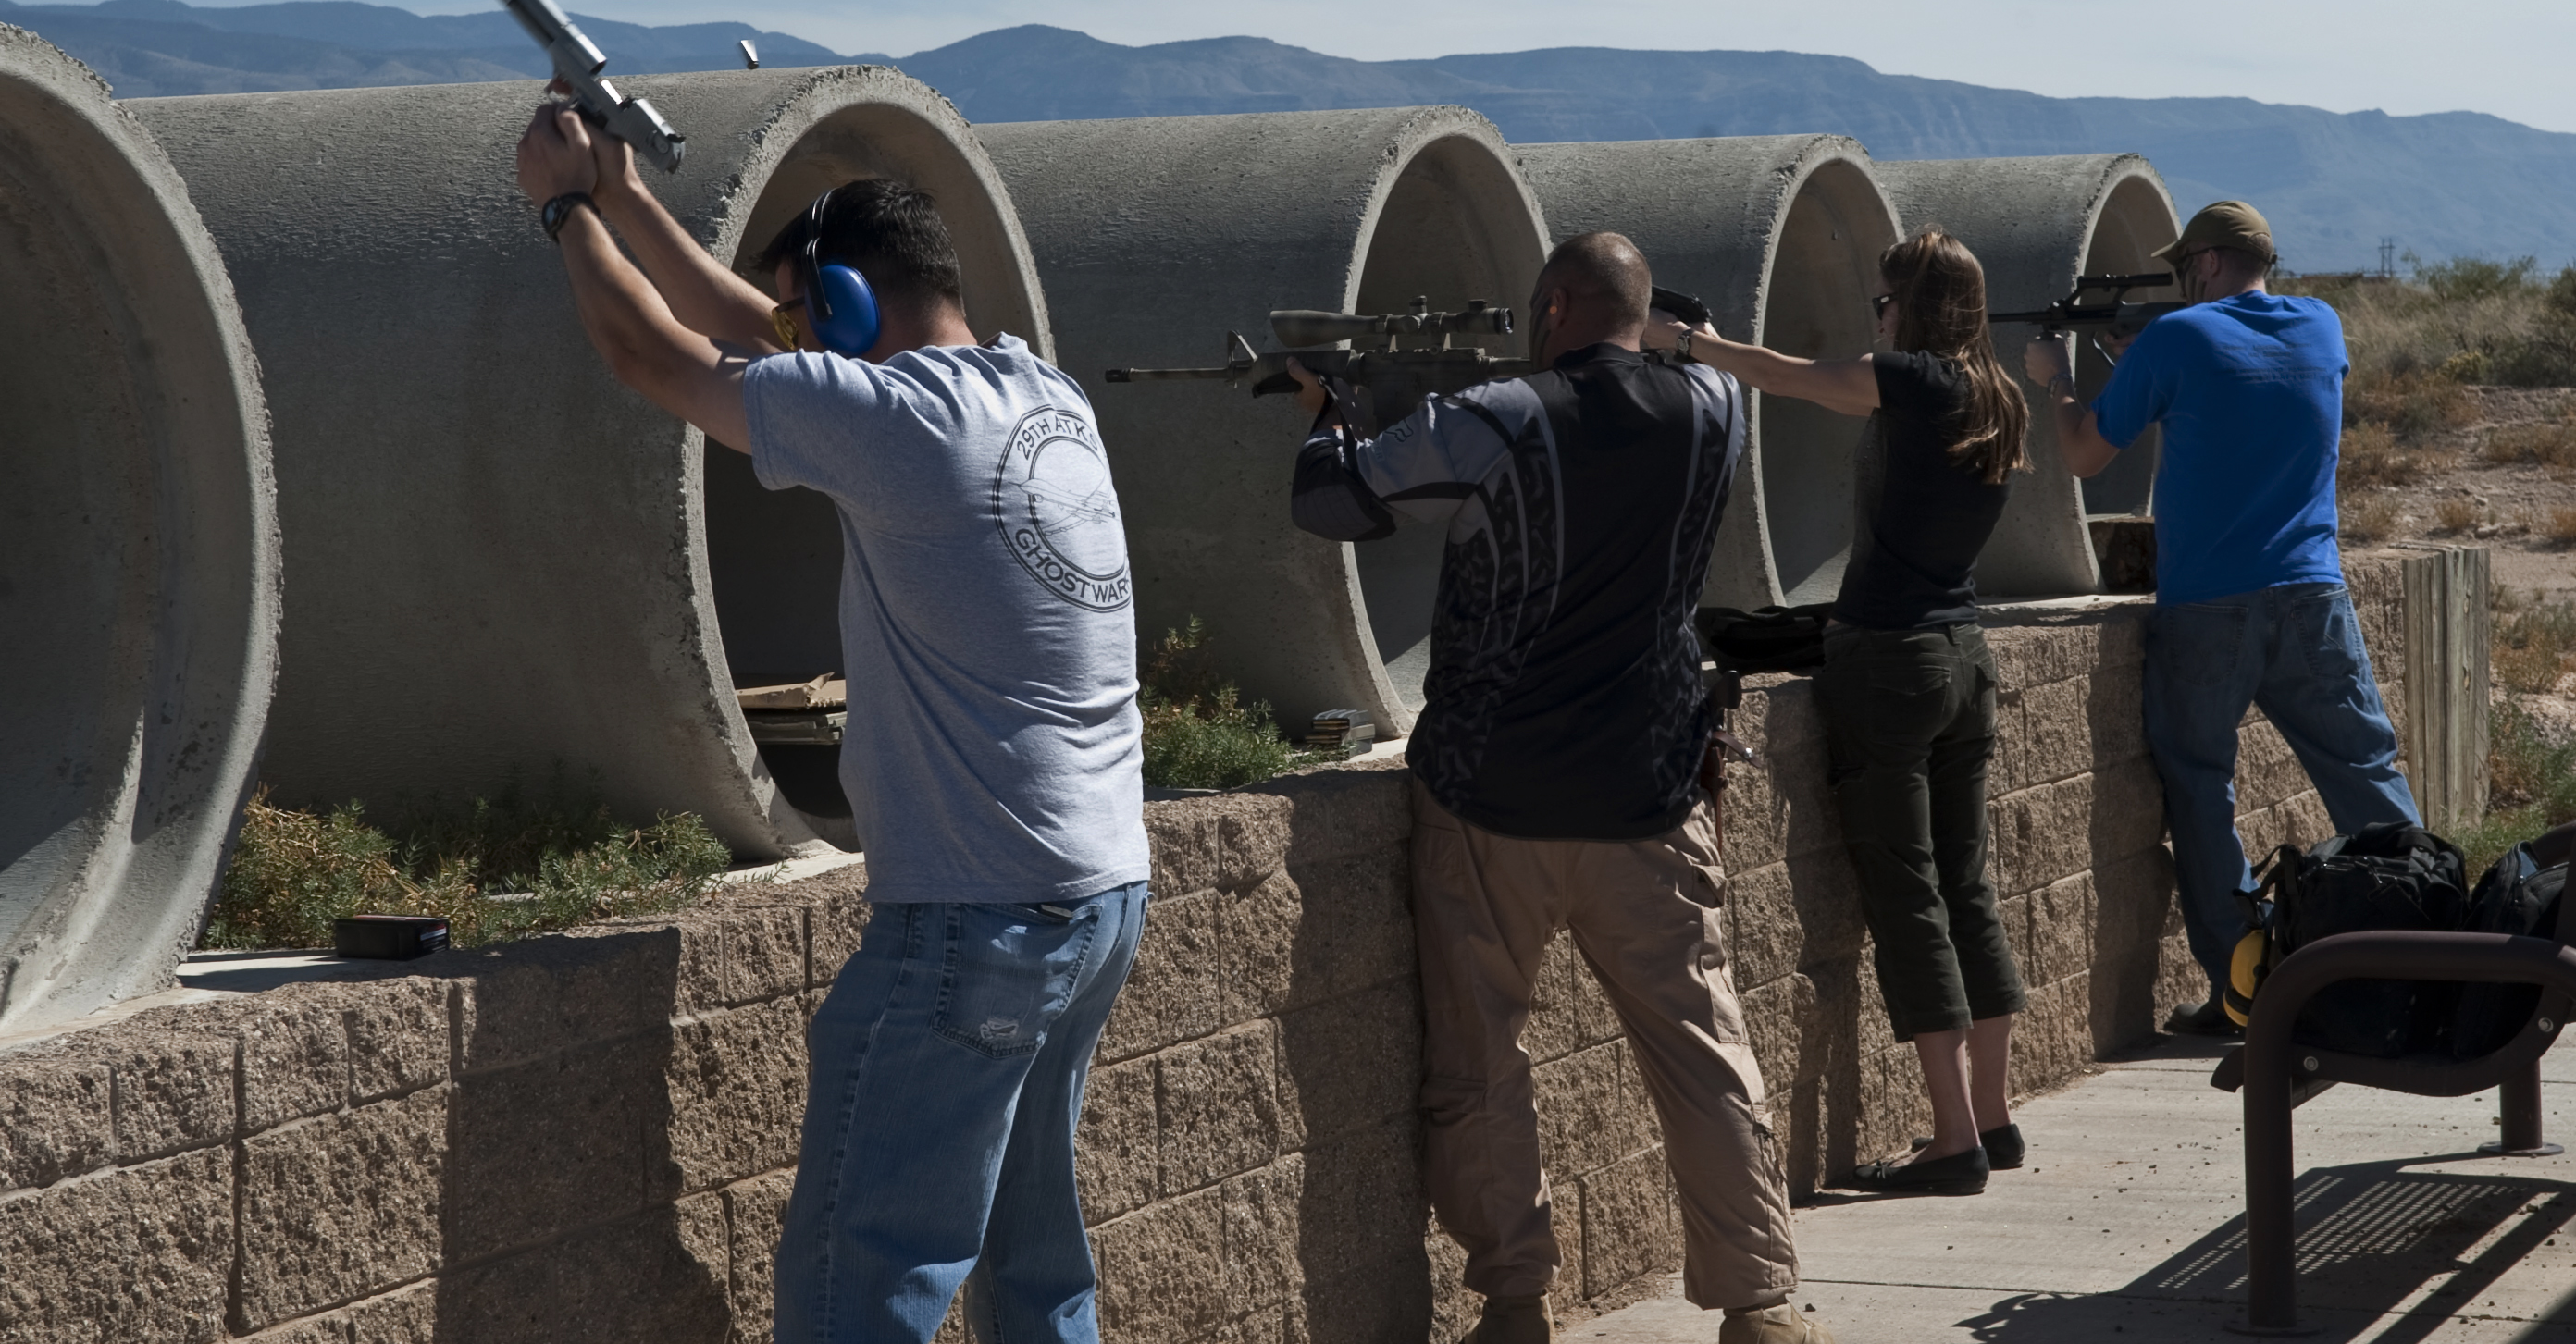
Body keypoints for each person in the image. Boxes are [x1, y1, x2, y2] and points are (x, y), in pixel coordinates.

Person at [510, 99, 1152, 1344]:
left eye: (808, 314)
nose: (791, 336)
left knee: (862, 1284)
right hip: (1096, 895)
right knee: (1037, 1273)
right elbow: (757, 332)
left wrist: (565, 210)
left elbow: (650, 356)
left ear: (851, 307)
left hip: (975, 915)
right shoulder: (1039, 394)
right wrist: (630, 197)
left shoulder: (901, 424)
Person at [1286, 232, 1832, 1344]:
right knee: (1703, 1054)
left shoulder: (1492, 416)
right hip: (1651, 791)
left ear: (1554, 306)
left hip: (1491, 795)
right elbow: (1657, 387)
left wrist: (1333, 412)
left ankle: (1516, 1303)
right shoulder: (1717, 407)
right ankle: (1762, 1305)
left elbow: (1334, 502)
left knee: (1483, 1063)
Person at [1651, 227, 2031, 1197]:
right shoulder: (1998, 393)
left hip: (1892, 662)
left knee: (1908, 897)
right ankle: (1992, 1115)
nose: (1879, 319)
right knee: (1967, 887)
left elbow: (1789, 377)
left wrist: (1688, 345)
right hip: (1962, 655)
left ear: (1912, 307)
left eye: (1884, 303)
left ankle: (1953, 1141)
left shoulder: (1917, 382)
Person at [2022, 199, 2420, 1040]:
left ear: (2203, 263)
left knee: (2201, 789)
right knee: (2364, 773)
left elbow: (2085, 453)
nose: (2180, 283)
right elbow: (2245, 388)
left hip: (2206, 605)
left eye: (2182, 270)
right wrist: (2143, 358)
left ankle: (2243, 991)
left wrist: (2058, 381)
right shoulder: (2321, 325)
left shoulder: (2175, 340)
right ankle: (2434, 950)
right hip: (2312, 595)